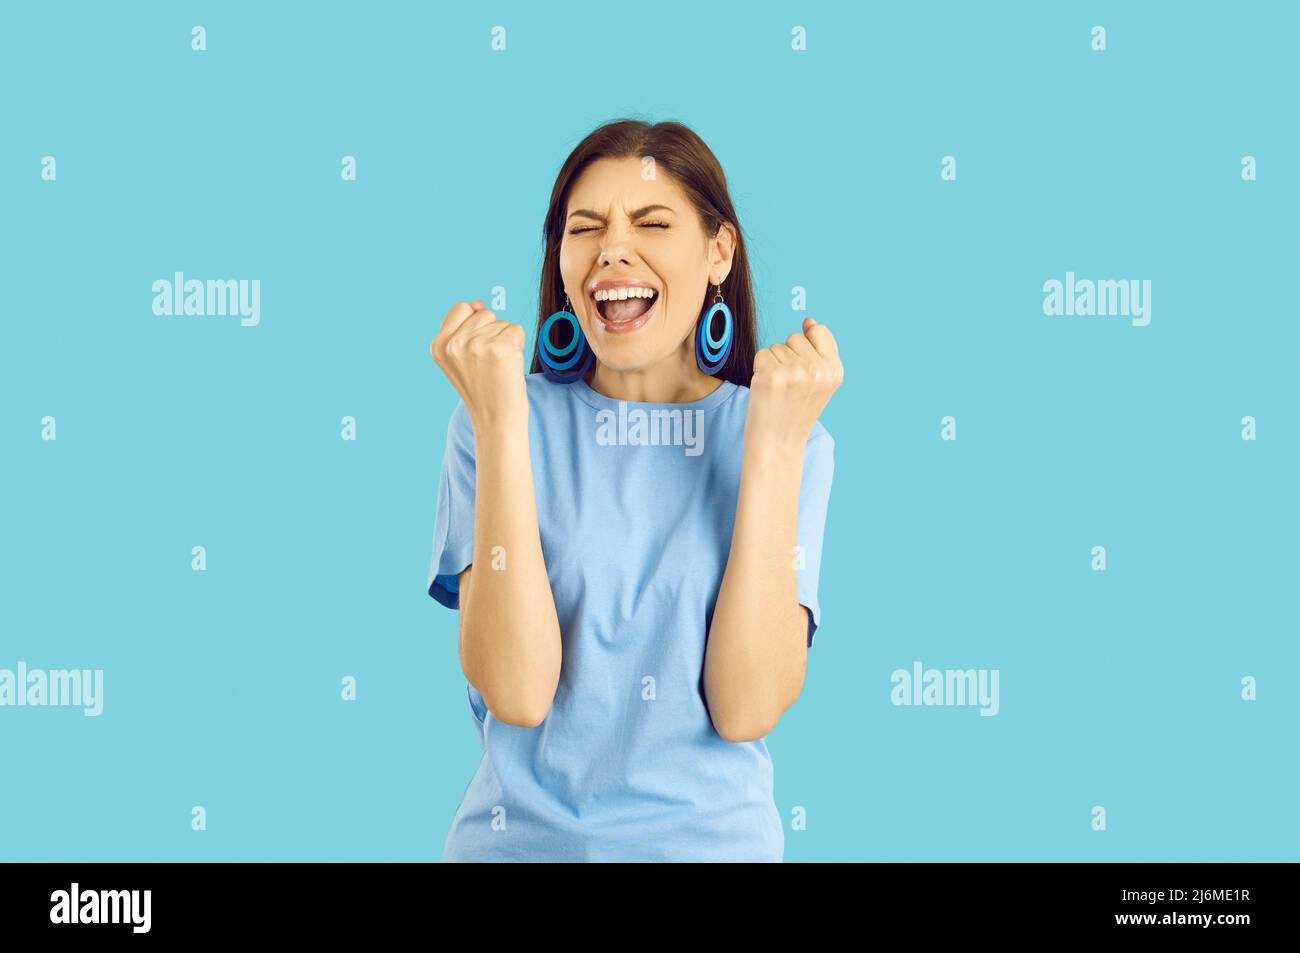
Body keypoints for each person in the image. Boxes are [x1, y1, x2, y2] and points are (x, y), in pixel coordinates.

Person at [426, 119, 842, 861]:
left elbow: (745, 707)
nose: (612, 248)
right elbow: (518, 693)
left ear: (719, 252)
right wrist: (498, 423)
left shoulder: (790, 437)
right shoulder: (494, 419)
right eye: (585, 228)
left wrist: (773, 446)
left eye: (651, 221)